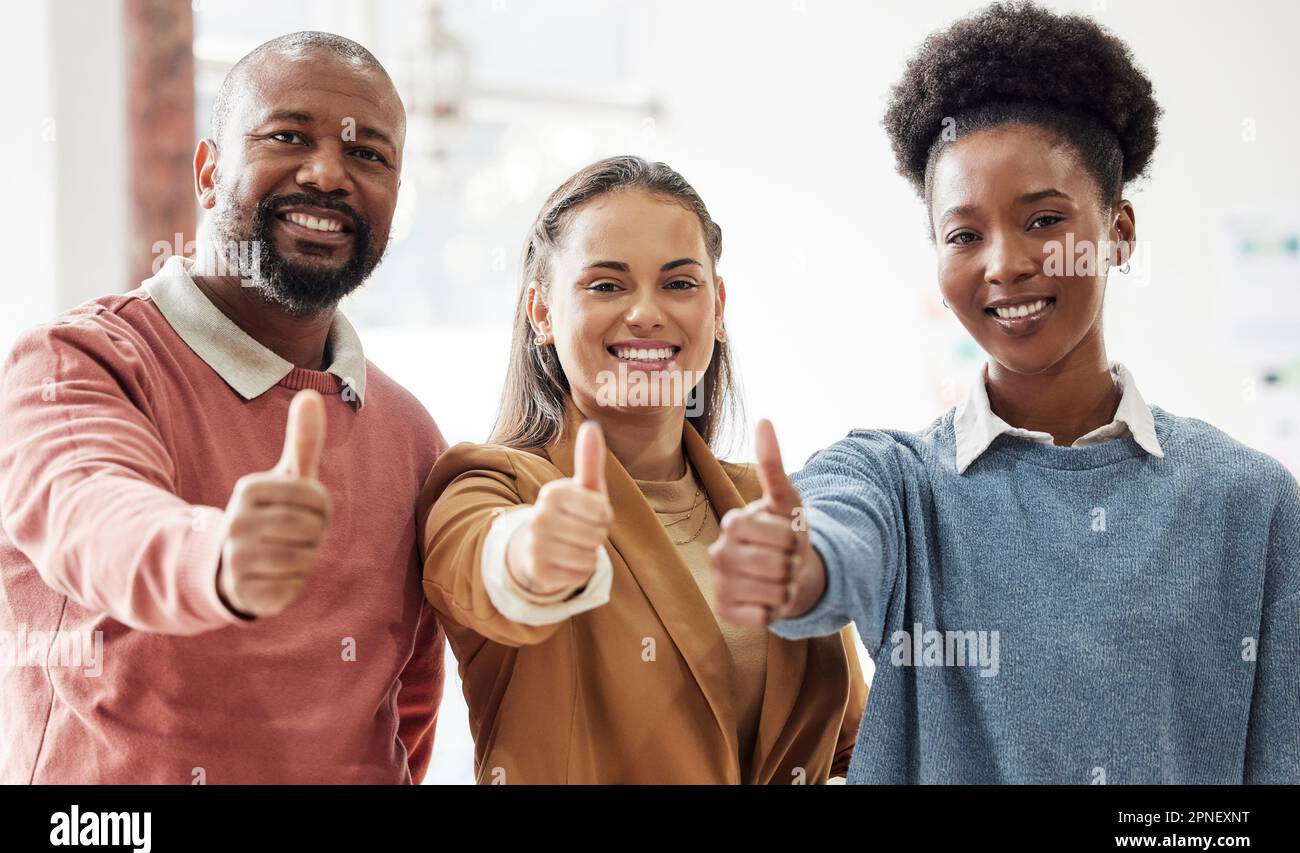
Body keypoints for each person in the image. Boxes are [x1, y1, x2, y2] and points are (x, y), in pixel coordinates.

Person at [711, 1, 1299, 783]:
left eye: (1044, 219)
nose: (1004, 264)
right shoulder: (895, 479)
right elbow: (834, 539)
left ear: (1119, 232)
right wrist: (798, 563)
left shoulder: (1250, 503)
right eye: (963, 235)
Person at [0, 31, 447, 783]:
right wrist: (218, 558)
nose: (327, 173)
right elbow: (96, 518)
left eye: (369, 154)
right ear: (208, 172)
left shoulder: (409, 433)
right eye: (287, 136)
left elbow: (407, 705)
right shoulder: (74, 363)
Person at [418, 156, 865, 784]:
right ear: (541, 313)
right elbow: (484, 560)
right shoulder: (494, 486)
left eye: (680, 284)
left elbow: (850, 743)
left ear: (718, 307)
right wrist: (533, 556)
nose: (647, 314)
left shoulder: (767, 502)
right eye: (606, 285)